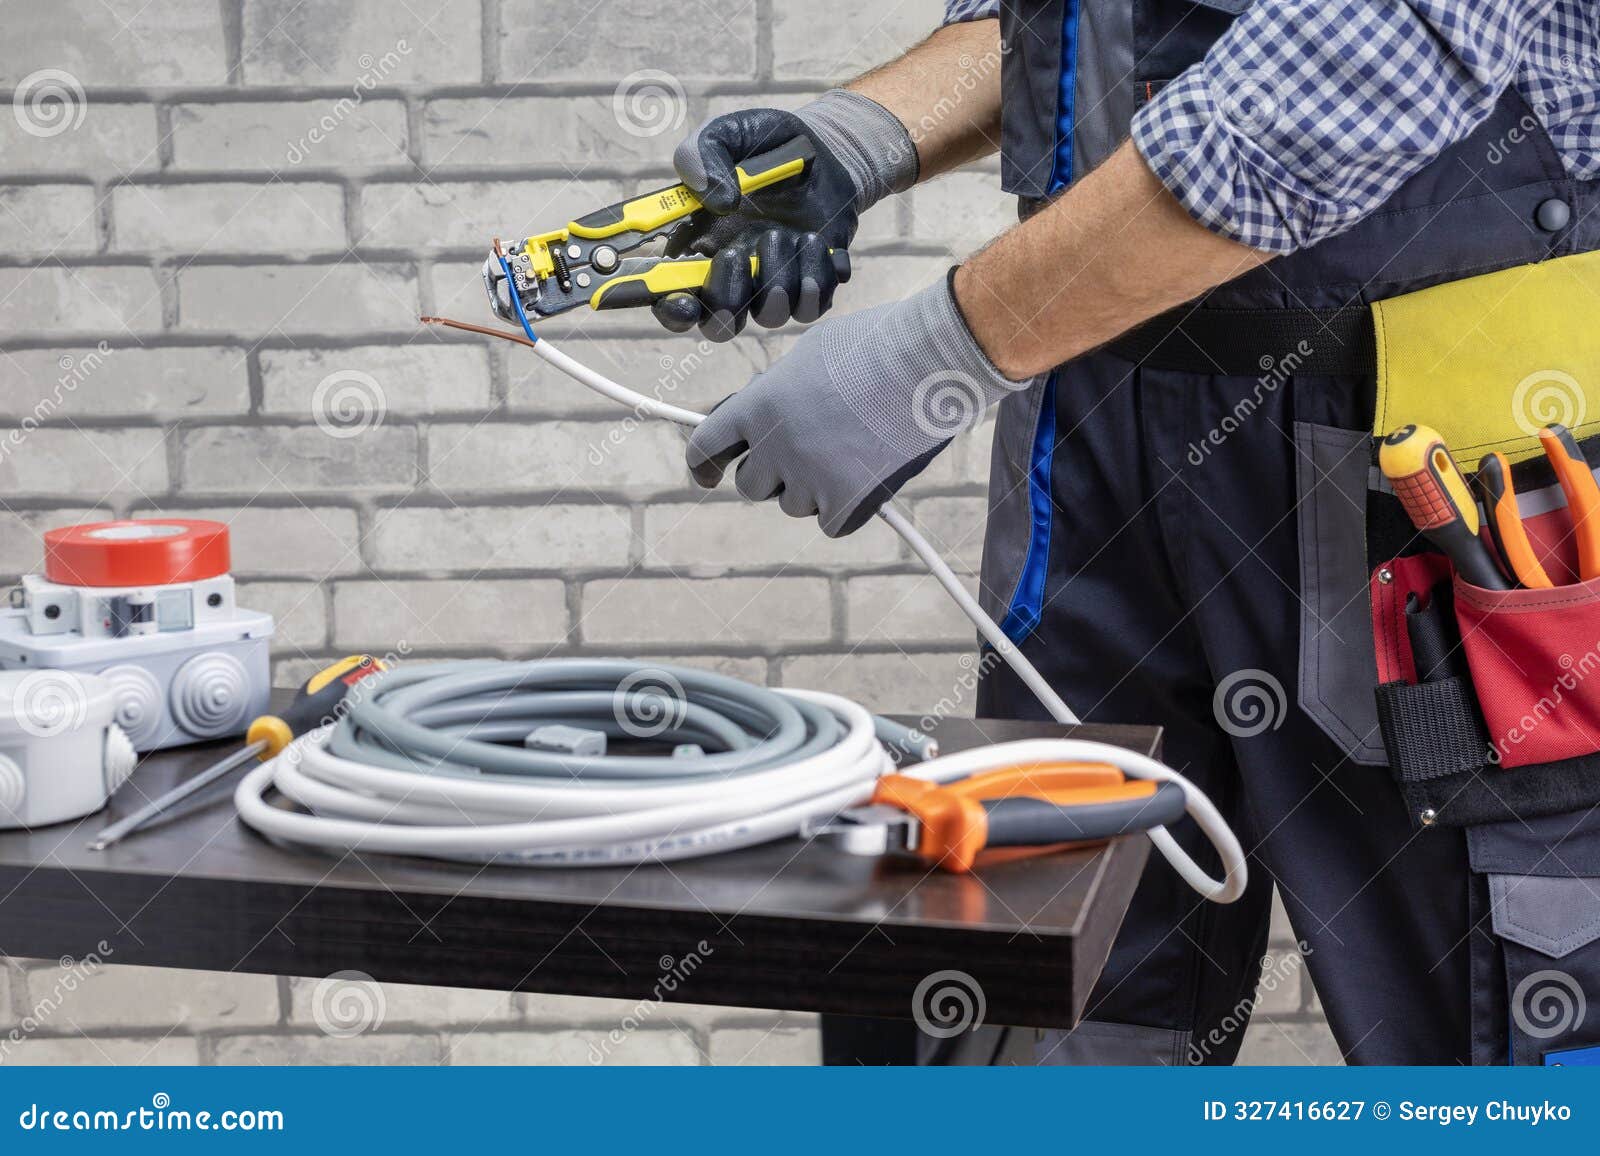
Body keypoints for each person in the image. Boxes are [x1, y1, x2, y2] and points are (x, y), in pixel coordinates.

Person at [654, 1, 1600, 1065]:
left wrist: (935, 353)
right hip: (1099, 439)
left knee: (1508, 1033)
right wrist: (859, 133)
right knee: (1055, 996)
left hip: (1439, 468)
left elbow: (1364, 61)